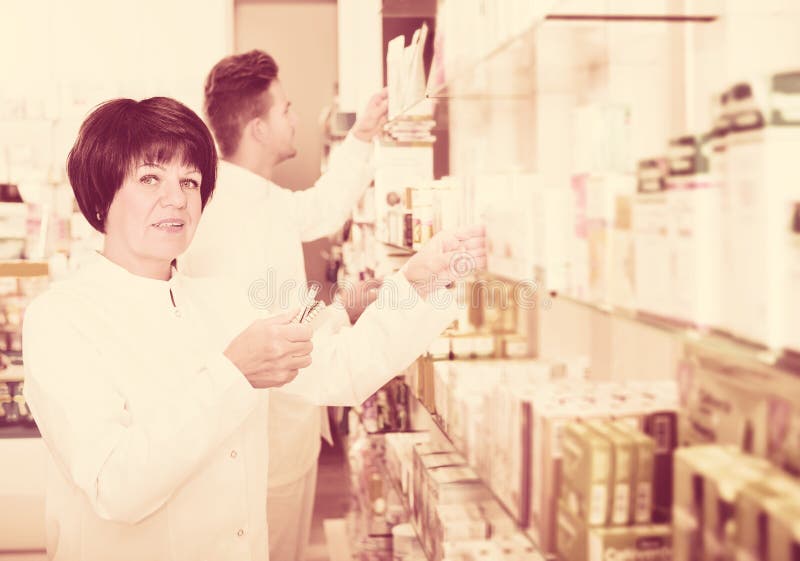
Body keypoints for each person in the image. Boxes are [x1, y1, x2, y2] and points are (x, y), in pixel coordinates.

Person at [23, 96, 486, 561]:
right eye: (150, 178)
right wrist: (234, 373)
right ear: (102, 195)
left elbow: (340, 369)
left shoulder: (223, 300)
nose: (178, 198)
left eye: (190, 180)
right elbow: (115, 486)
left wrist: (419, 281)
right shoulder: (61, 319)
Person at [178, 49, 387, 560]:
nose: (294, 118)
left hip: (276, 434)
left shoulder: (253, 198)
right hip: (261, 442)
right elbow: (268, 335)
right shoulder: (226, 212)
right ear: (258, 128)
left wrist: (361, 137)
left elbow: (319, 209)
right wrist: (347, 309)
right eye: (286, 109)